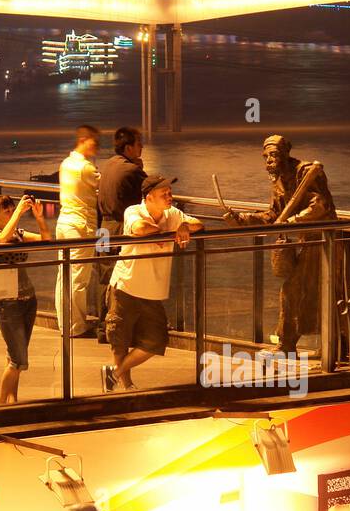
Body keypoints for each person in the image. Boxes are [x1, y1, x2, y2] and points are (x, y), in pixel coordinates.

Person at [225, 134, 337, 354]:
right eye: (265, 156)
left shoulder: (306, 172)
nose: (269, 160)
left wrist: (291, 222)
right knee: (316, 292)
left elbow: (320, 205)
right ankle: (334, 344)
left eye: (274, 154)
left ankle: (289, 344)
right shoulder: (278, 180)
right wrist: (242, 218)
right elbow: (274, 214)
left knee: (303, 290)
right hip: (305, 240)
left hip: (324, 239)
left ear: (286, 153)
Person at [102, 176, 203, 392]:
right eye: (164, 194)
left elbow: (198, 224)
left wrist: (184, 225)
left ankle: (115, 373)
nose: (170, 197)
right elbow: (138, 228)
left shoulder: (173, 215)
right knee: (120, 339)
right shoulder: (134, 211)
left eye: (169, 192)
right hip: (126, 286)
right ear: (149, 197)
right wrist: (166, 233)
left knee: (156, 340)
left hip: (153, 292)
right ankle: (126, 385)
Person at [0, 193, 51, 404]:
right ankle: (1, 405)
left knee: (14, 355)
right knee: (18, 359)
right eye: (7, 211)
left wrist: (40, 218)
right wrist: (20, 212)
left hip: (28, 298)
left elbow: (46, 240)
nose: (13, 214)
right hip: (6, 302)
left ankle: (13, 400)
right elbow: (1, 240)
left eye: (13, 210)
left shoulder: (19, 233)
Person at [96, 126, 147, 341]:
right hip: (119, 228)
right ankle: (119, 327)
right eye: (138, 143)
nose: (142, 146)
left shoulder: (108, 165)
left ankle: (101, 326)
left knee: (103, 278)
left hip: (102, 230)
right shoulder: (132, 171)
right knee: (122, 279)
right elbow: (150, 191)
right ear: (129, 147)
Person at [55, 124, 100, 338]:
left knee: (63, 275)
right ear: (84, 140)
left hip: (64, 223)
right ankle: (76, 327)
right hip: (80, 225)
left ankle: (65, 324)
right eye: (94, 141)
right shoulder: (86, 167)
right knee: (78, 278)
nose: (97, 146)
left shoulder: (65, 163)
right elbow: (104, 187)